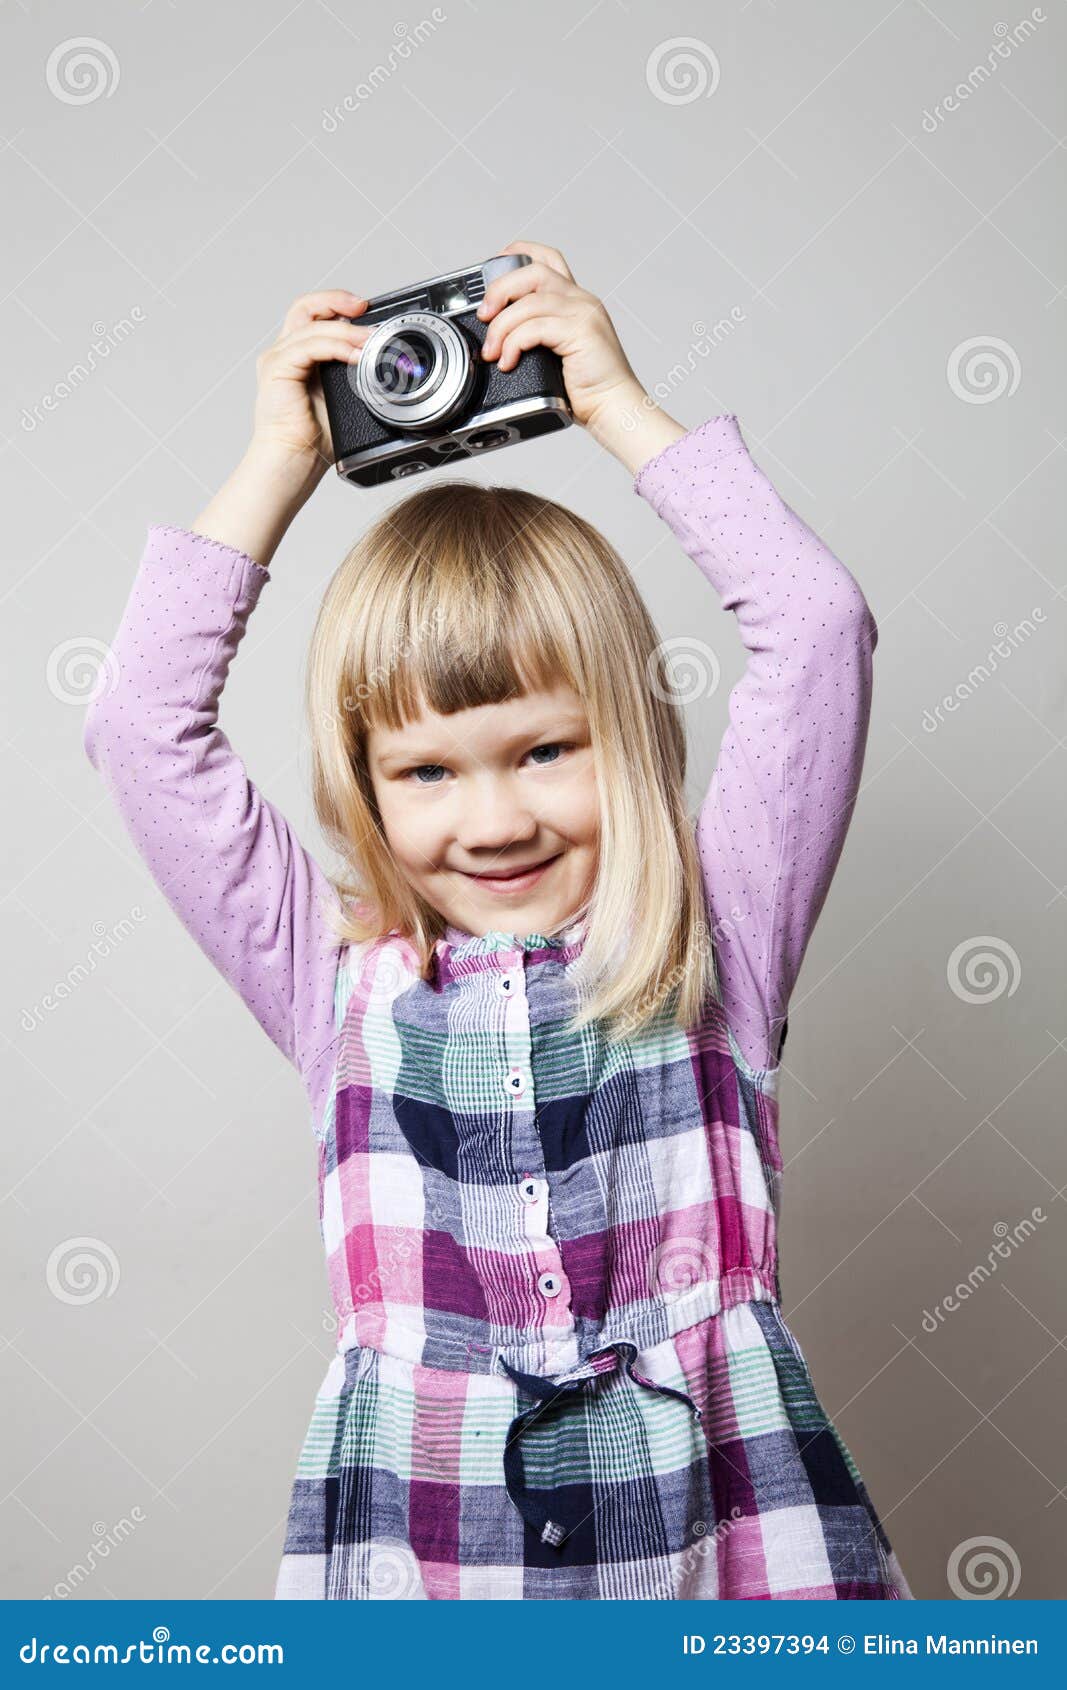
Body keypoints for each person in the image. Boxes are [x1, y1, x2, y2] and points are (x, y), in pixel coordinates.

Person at [83, 238, 913, 1601]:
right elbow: (136, 725)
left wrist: (613, 404)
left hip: (728, 1551)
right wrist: (279, 465)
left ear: (632, 733)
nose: (493, 820)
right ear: (366, 785)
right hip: (431, 1556)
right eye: (425, 771)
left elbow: (817, 625)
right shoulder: (334, 978)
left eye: (545, 750)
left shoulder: (720, 941)